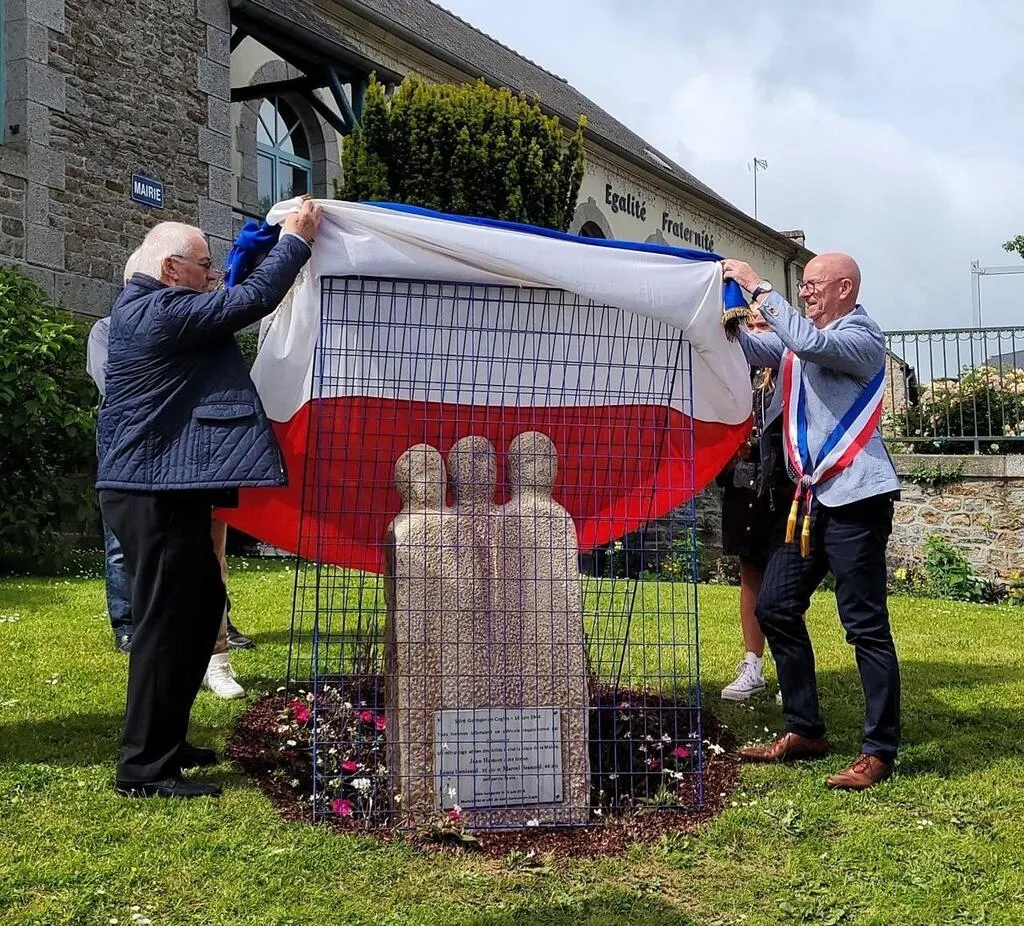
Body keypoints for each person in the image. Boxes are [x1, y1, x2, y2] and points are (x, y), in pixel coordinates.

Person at [97, 200, 322, 799]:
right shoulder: (158, 311)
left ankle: (166, 740)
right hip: (154, 492)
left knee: (197, 611)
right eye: (203, 264)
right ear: (172, 269)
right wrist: (295, 242)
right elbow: (245, 302)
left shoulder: (158, 306)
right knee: (165, 625)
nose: (212, 273)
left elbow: (230, 296)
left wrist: (265, 254)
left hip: (165, 489)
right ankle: (144, 768)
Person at [722, 253, 901, 791]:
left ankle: (878, 750)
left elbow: (808, 343)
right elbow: (758, 348)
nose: (805, 293)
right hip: (813, 497)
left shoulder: (860, 335)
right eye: (801, 286)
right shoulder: (805, 334)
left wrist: (756, 286)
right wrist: (716, 319)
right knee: (775, 605)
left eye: (814, 284)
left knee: (864, 625)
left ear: (846, 288)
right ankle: (805, 730)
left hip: (858, 497)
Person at [716, 310, 794, 701]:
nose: (758, 333)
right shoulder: (737, 375)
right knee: (750, 572)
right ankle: (753, 664)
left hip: (782, 486)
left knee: (783, 581)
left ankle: (789, 668)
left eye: (766, 327)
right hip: (744, 486)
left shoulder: (789, 371)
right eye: (753, 327)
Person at [87, 251, 141, 653]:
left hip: (166, 439)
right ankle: (125, 624)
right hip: (121, 439)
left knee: (190, 536)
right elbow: (114, 384)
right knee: (120, 540)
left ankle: (216, 623)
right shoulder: (105, 331)